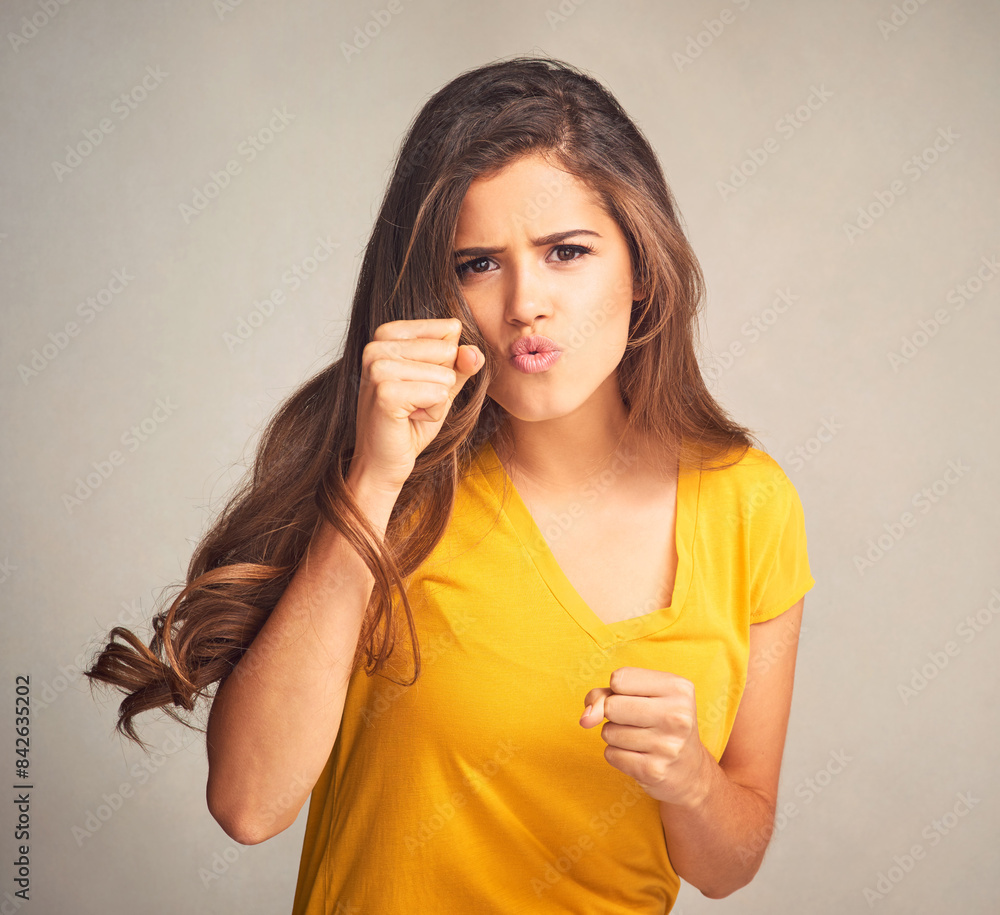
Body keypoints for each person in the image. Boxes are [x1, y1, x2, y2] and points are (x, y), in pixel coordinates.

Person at [84, 56, 814, 913]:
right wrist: (372, 479)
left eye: (566, 252)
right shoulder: (391, 488)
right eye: (478, 264)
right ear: (439, 288)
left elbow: (728, 866)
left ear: (642, 268)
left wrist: (690, 777)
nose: (525, 302)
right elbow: (248, 804)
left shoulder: (753, 505)